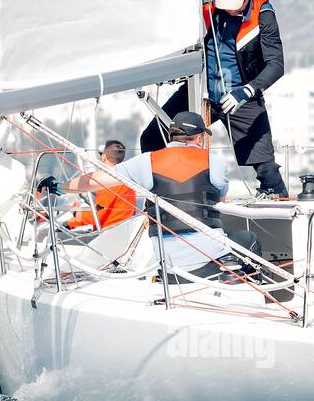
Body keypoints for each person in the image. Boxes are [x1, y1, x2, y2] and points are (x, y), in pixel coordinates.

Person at [62, 111, 260, 278]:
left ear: (171, 136)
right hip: (208, 257)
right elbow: (220, 201)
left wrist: (60, 186)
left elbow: (94, 180)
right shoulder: (214, 161)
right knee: (250, 239)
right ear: (199, 138)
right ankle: (251, 296)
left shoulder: (145, 161)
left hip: (168, 262)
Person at [202, 0, 288, 198]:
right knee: (152, 137)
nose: (230, 9)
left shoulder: (264, 14)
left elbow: (276, 65)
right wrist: (193, 1)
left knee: (267, 168)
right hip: (203, 93)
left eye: (235, 3)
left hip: (241, 95)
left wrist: (247, 90)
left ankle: (282, 209)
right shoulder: (207, 3)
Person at [64, 139, 137, 231]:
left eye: (101, 154)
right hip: (124, 230)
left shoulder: (109, 180)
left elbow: (96, 216)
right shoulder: (126, 178)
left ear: (104, 157)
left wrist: (72, 220)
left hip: (110, 234)